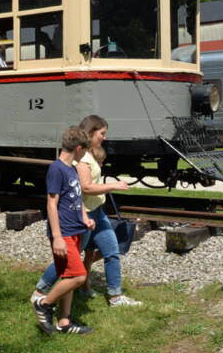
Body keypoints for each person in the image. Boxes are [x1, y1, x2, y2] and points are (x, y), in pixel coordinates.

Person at [32, 115, 141, 307]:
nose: (104, 138)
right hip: (85, 215)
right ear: (91, 133)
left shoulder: (89, 154)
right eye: (102, 133)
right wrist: (114, 185)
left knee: (112, 252)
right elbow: (86, 187)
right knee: (68, 259)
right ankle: (41, 290)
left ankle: (115, 297)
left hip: (97, 212)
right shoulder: (82, 160)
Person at [31, 125, 95, 335]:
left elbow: (75, 198)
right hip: (64, 233)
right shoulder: (57, 169)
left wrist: (85, 218)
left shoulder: (72, 169)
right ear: (78, 148)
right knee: (78, 276)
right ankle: (44, 303)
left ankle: (64, 323)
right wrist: (57, 237)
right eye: (85, 150)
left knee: (68, 277)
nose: (85, 154)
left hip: (75, 230)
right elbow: (51, 204)